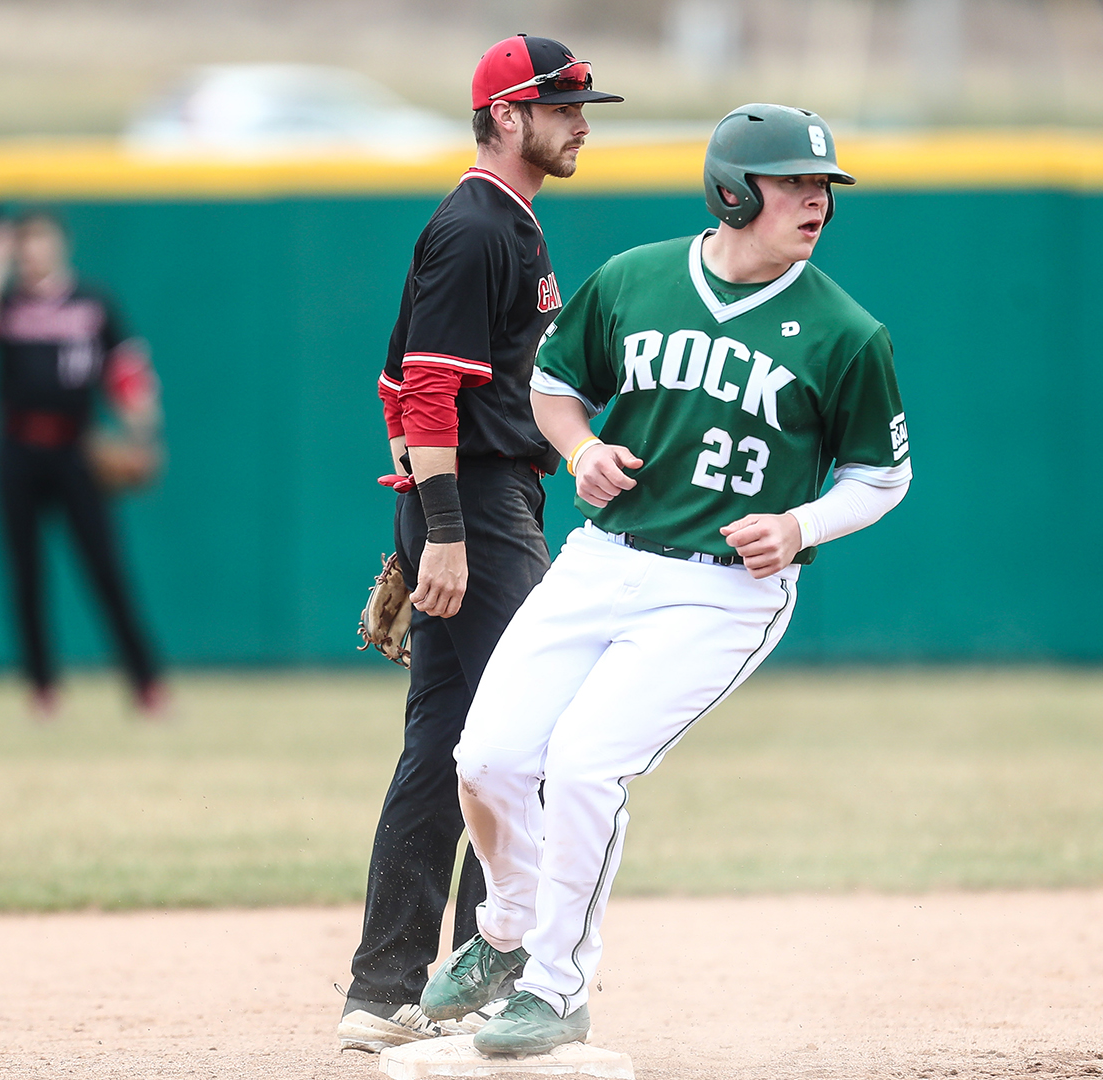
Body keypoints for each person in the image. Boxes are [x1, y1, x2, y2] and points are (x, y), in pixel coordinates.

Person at [420, 103, 913, 1056]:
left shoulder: (848, 334)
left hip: (722, 591)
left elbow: (883, 475)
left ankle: (559, 989)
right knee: (485, 757)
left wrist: (803, 523)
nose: (816, 200)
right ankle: (508, 934)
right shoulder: (636, 280)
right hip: (604, 558)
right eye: (792, 183)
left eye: (824, 187)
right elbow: (554, 386)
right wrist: (580, 449)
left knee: (585, 766)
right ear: (733, 190)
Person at [335, 34, 624, 1053]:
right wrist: (446, 534)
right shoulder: (478, 227)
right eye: (563, 104)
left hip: (477, 500)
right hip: (480, 507)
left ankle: (385, 993)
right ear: (508, 114)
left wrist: (429, 518)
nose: (581, 120)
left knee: (445, 750)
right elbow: (423, 391)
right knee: (527, 742)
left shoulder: (505, 223)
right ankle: (500, 981)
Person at [0, 209, 166, 719]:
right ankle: (42, 689)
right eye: (25, 242)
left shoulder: (92, 301)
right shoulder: (3, 299)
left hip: (77, 449)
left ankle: (146, 684)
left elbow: (127, 373)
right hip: (16, 448)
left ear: (61, 244)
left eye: (40, 240)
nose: (32, 250)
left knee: (106, 570)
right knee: (25, 573)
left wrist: (142, 433)